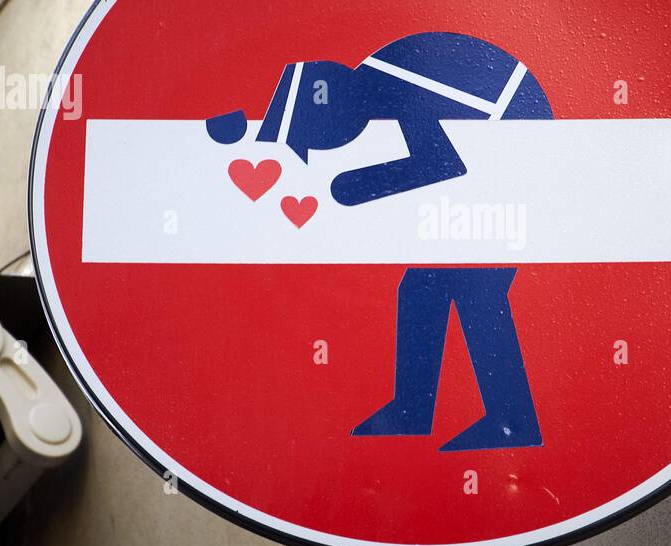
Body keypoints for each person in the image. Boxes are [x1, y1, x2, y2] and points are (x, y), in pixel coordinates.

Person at [206, 32, 550, 451]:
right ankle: (411, 412)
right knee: (423, 285)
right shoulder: (377, 80)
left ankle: (511, 421)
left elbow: (442, 162)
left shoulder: (395, 85)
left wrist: (352, 185)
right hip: (495, 147)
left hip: (514, 145)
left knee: (478, 288)